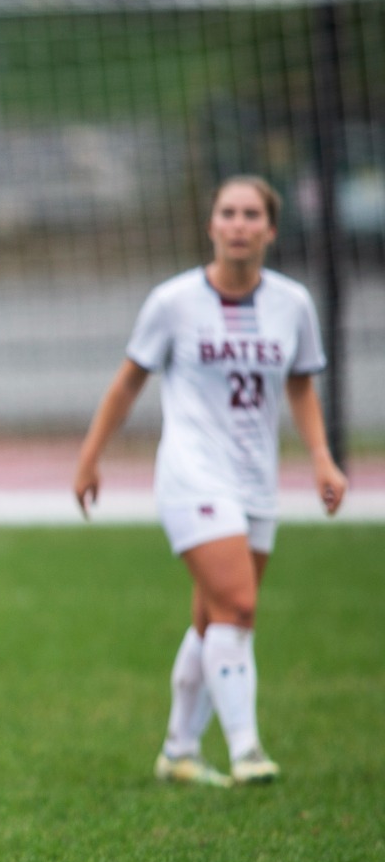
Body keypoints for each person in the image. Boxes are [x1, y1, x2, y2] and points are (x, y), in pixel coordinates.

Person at [74, 176, 347, 787]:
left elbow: (301, 382)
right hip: (192, 474)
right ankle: (248, 750)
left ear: (271, 230)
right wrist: (90, 457)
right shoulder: (173, 302)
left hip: (255, 478)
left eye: (252, 214)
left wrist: (322, 458)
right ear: (212, 226)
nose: (240, 224)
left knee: (214, 618)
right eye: (229, 212)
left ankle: (178, 752)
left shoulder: (292, 304)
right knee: (241, 605)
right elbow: (128, 383)